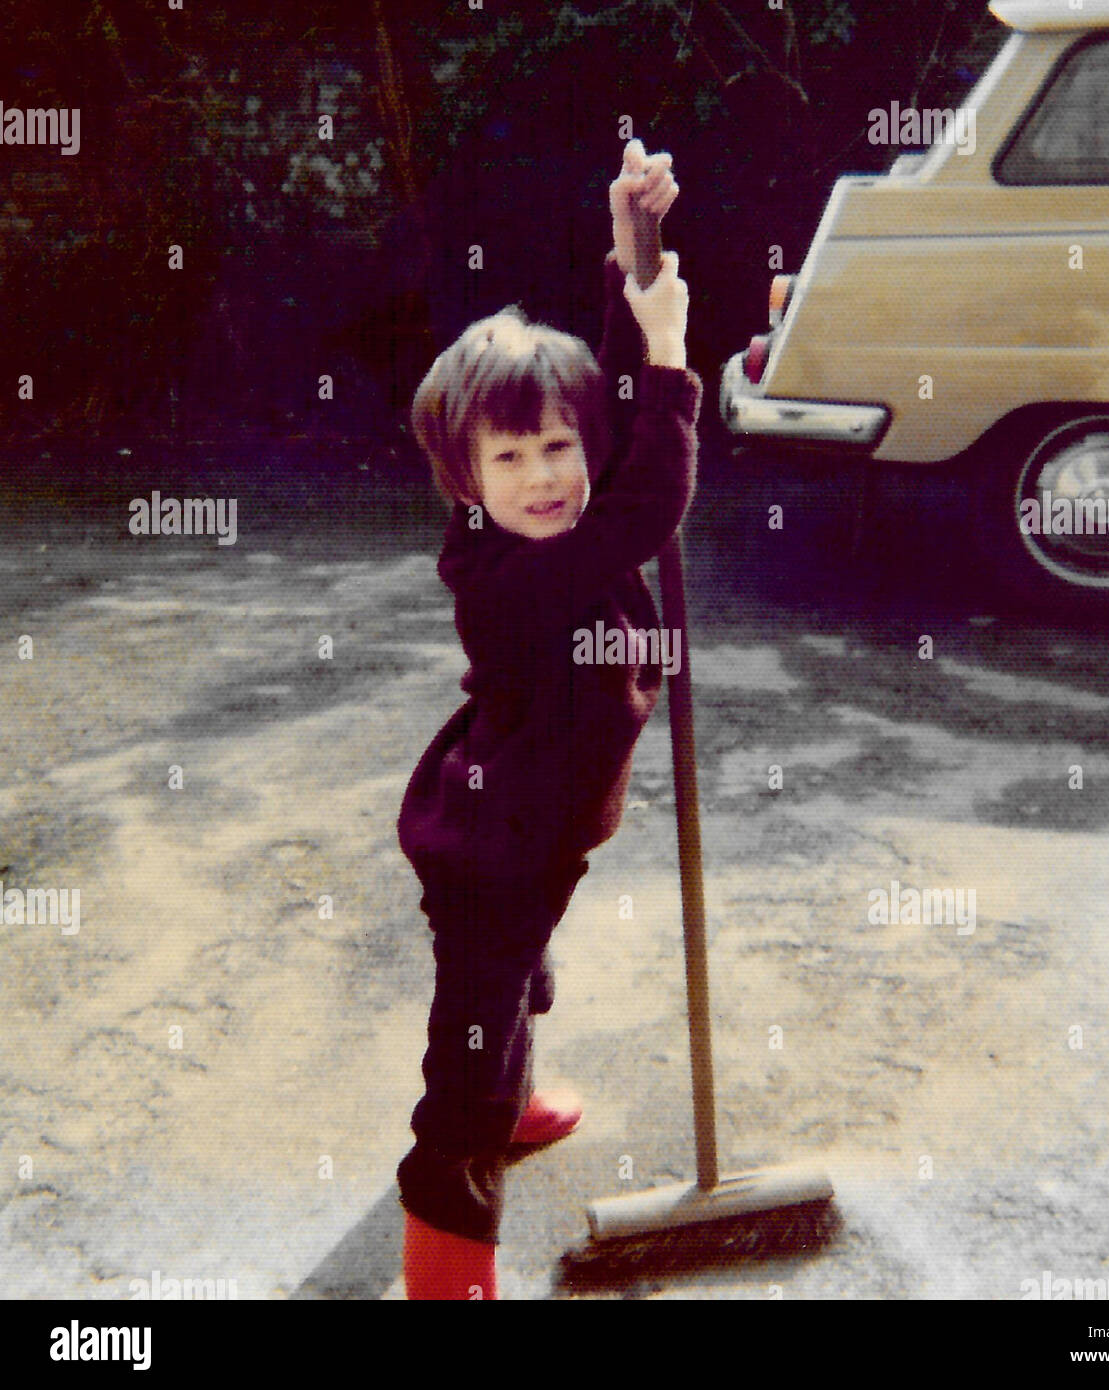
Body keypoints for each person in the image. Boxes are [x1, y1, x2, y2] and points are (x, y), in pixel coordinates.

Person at [395, 139, 701, 1299]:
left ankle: (516, 1097)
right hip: (493, 844)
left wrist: (635, 246)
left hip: (531, 827)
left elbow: (620, 414)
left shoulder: (557, 523)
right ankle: (445, 1250)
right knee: (468, 1047)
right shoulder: (514, 581)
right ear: (467, 478)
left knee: (519, 976)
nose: (546, 476)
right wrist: (672, 354)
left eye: (559, 448)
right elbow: (647, 504)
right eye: (511, 456)